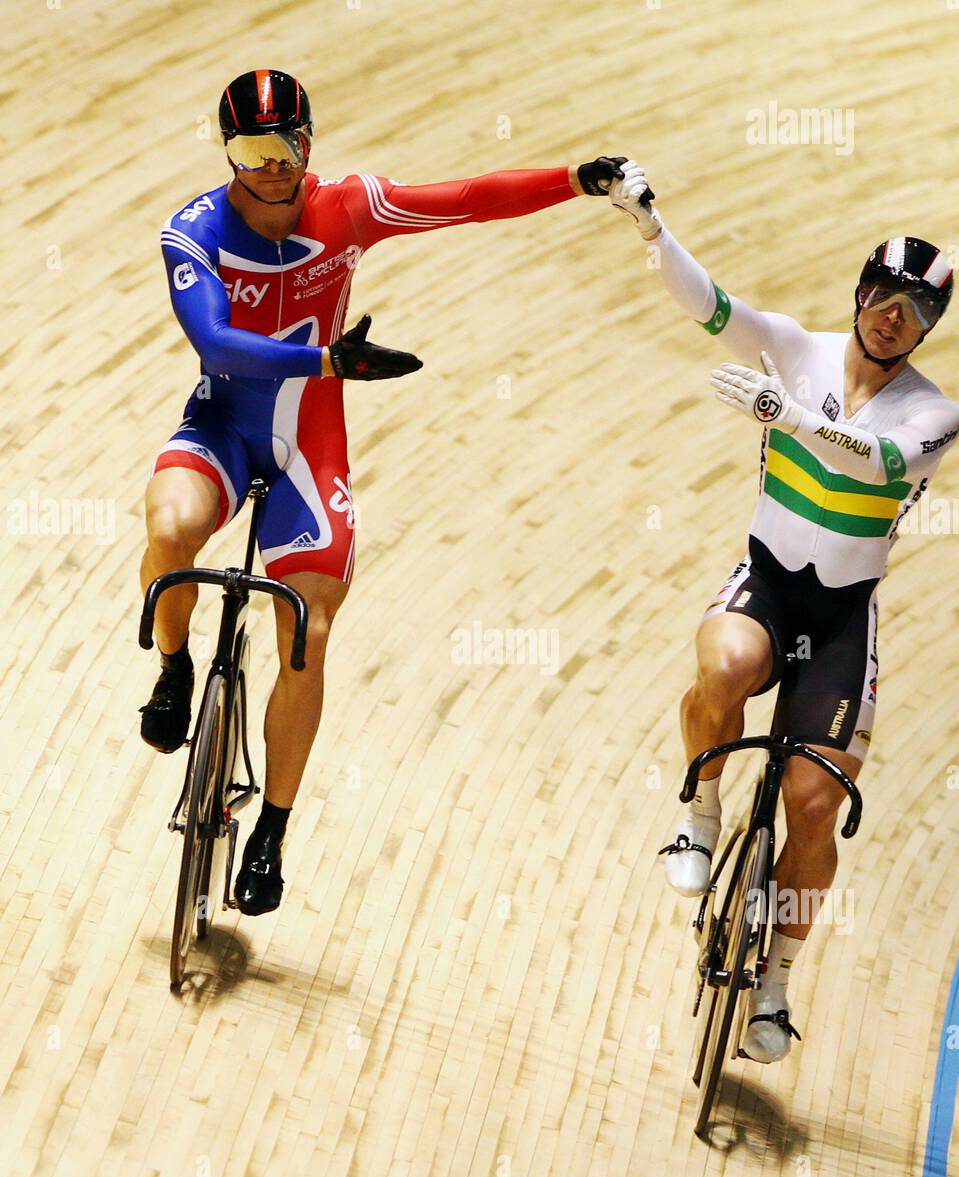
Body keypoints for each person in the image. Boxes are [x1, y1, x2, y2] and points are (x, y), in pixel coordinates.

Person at [141, 67, 631, 915]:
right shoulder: (191, 232)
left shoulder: (350, 207)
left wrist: (573, 180)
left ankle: (271, 835)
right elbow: (218, 346)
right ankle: (176, 670)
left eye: (286, 146)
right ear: (226, 153)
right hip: (223, 425)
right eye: (250, 151)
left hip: (309, 446)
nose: (271, 166)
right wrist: (328, 361)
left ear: (309, 141)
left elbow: (468, 197)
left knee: (309, 627)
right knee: (173, 527)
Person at [608, 161, 959, 1062]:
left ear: (926, 329)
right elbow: (709, 306)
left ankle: (776, 981)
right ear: (859, 291)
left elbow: (873, 462)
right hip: (768, 582)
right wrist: (651, 226)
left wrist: (792, 418)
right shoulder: (795, 347)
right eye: (883, 294)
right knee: (722, 666)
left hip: (842, 619)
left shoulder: (934, 414)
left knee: (812, 804)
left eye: (913, 311)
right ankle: (700, 809)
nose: (891, 316)